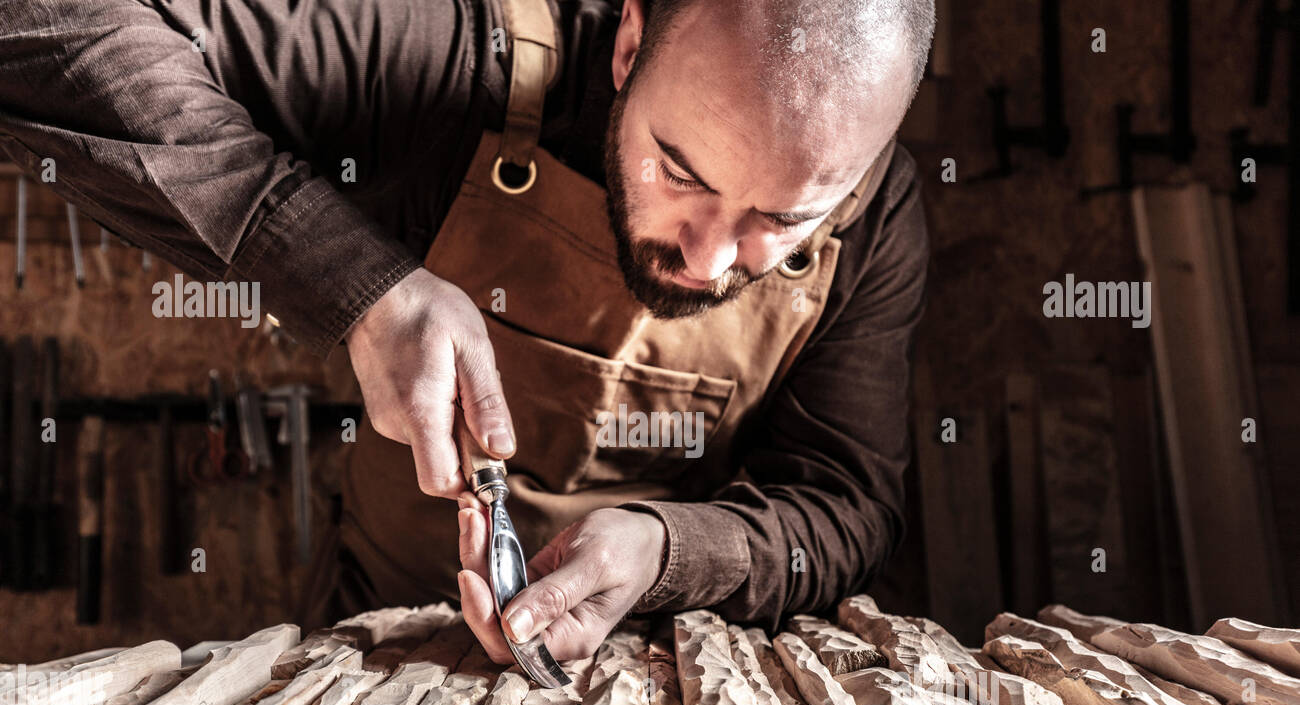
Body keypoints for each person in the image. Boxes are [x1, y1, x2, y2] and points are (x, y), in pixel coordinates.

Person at [0, 0, 933, 665]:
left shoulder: (878, 215)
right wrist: (358, 284)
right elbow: (45, 18)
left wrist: (666, 553)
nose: (711, 256)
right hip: (388, 654)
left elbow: (846, 503)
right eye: (679, 170)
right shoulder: (458, 61)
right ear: (630, 44)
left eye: (783, 219)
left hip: (675, 684)